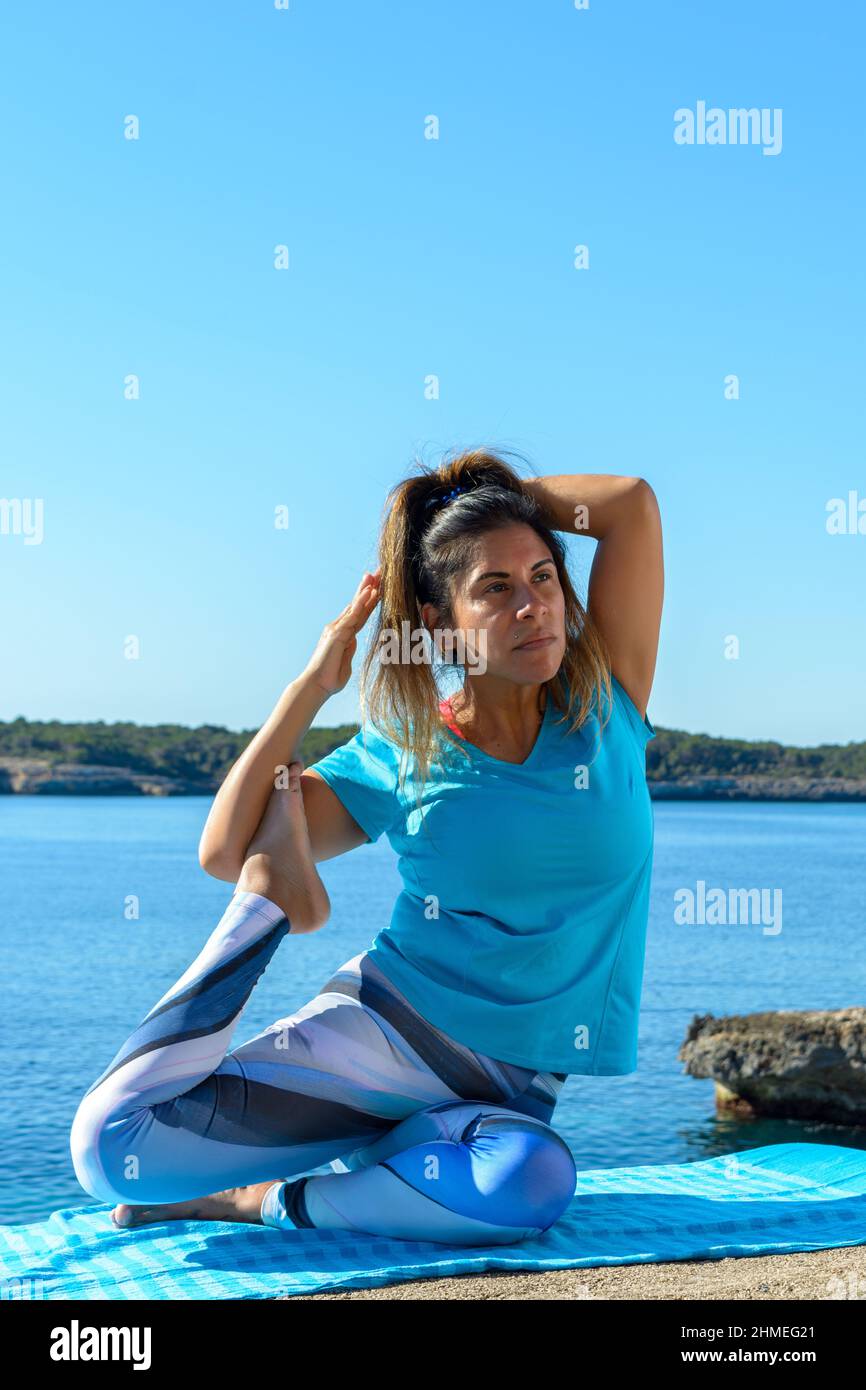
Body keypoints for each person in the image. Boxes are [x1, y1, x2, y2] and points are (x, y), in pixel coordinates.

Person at [69, 448, 663, 1246]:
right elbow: (223, 848)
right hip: (386, 1038)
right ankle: (276, 902)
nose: (534, 607)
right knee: (112, 1149)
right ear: (436, 622)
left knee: (532, 1182)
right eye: (495, 588)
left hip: (506, 1096)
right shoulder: (409, 748)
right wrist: (311, 686)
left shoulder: (608, 705)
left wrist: (473, 495)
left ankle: (260, 1200)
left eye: (544, 576)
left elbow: (628, 504)